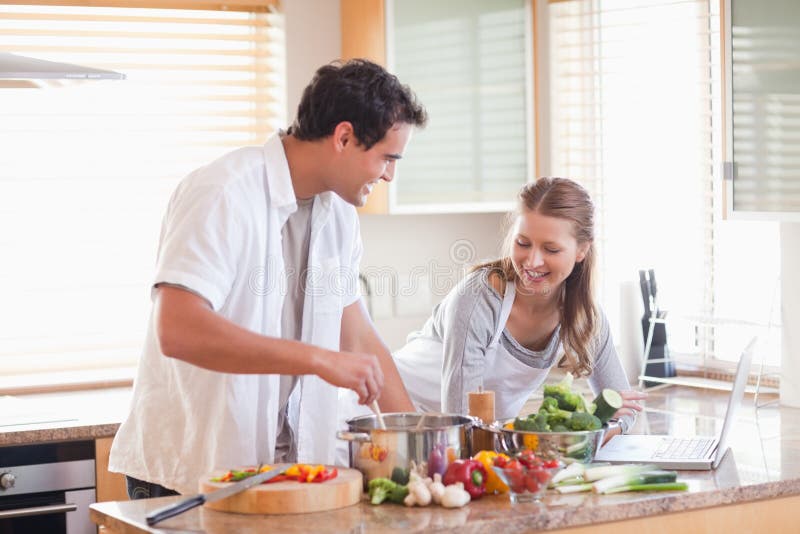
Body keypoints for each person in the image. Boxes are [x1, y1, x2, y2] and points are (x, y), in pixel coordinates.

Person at [109, 59, 427, 497]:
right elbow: (177, 330)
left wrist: (423, 456)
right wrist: (316, 358)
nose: (390, 174)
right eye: (387, 157)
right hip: (187, 474)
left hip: (278, 474)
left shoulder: (338, 214)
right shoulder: (223, 192)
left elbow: (356, 339)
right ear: (344, 136)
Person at [393, 177, 645, 438]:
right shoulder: (478, 300)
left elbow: (625, 407)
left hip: (465, 438)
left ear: (581, 250)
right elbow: (462, 421)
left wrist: (592, 433)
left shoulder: (585, 317)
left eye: (551, 249)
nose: (533, 261)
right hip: (392, 416)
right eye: (523, 243)